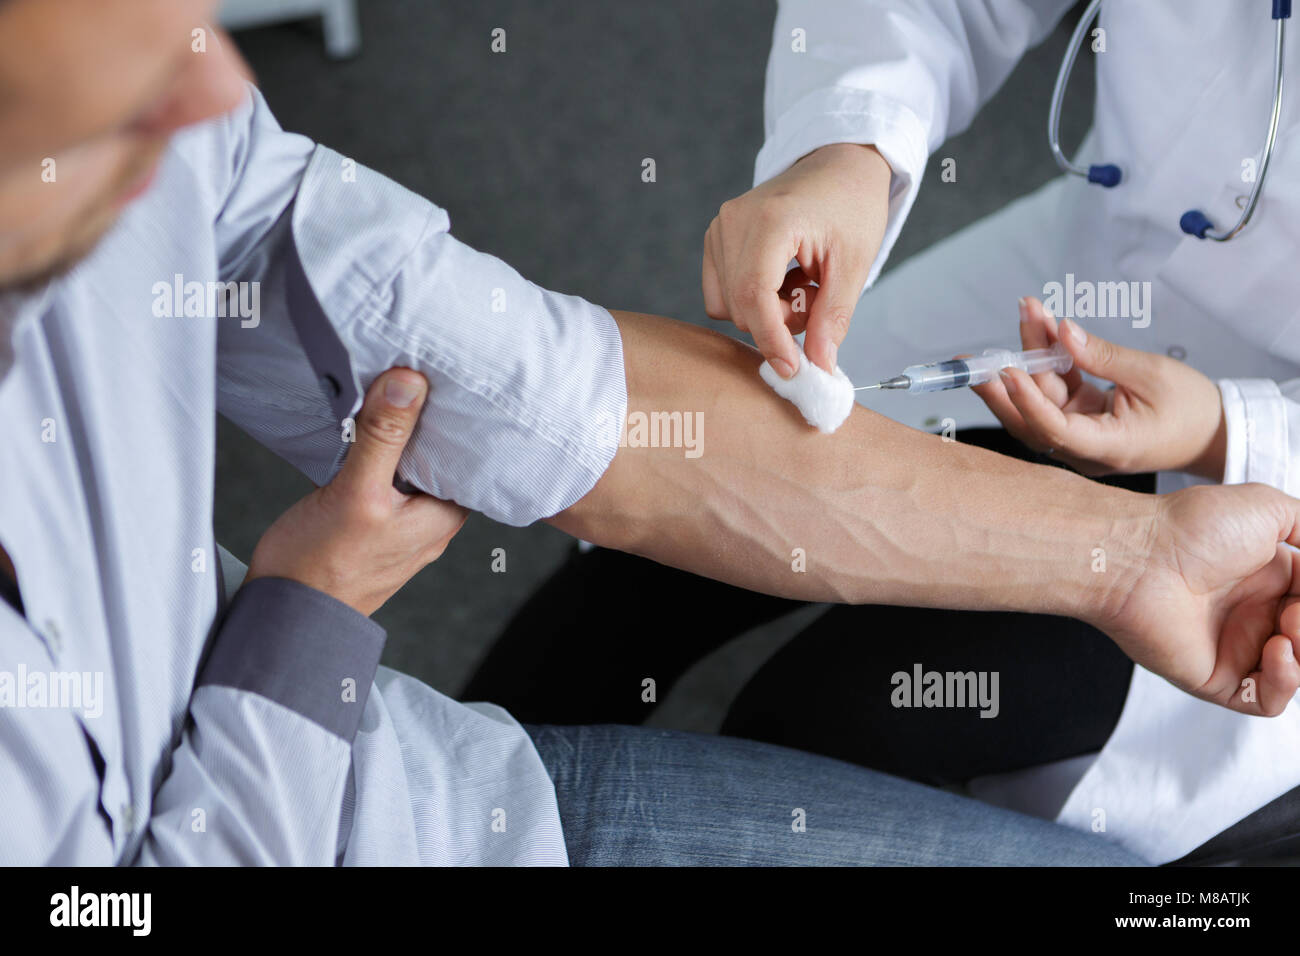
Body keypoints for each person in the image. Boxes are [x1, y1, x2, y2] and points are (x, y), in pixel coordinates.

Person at [1, 0, 1297, 866]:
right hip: (353, 811)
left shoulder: (158, 132)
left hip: (444, 786)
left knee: (750, 638)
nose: (222, 70)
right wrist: (302, 630)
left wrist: (1148, 541)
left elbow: (559, 404)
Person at [470, 0, 1300, 864]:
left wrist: (1219, 425)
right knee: (646, 535)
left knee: (822, 719)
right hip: (1096, 275)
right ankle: (446, 814)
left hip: (1272, 513)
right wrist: (848, 150)